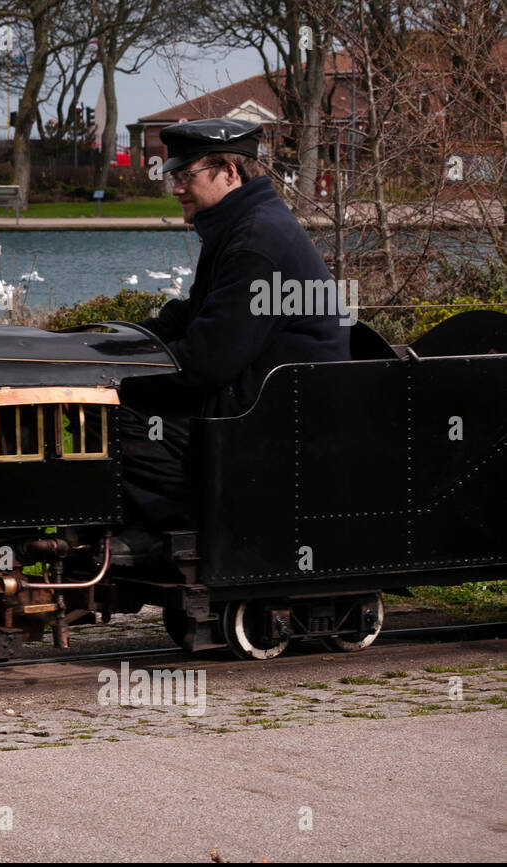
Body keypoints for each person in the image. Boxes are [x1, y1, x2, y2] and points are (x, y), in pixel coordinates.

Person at [113, 117, 353, 564]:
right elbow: (190, 316)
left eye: (187, 176)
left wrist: (117, 381)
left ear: (230, 172)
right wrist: (111, 342)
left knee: (117, 418)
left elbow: (205, 363)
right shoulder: (244, 224)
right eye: (174, 177)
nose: (176, 188)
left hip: (275, 412)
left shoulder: (254, 241)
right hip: (261, 394)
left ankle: (181, 528)